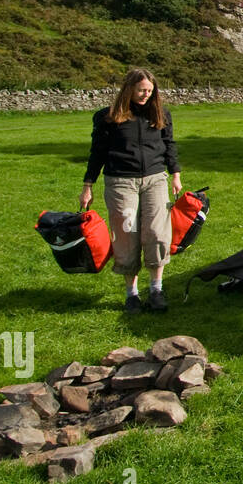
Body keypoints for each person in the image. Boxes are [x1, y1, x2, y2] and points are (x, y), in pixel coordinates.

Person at [79, 68, 182, 313]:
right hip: (120, 183)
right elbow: (97, 153)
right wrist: (87, 186)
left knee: (157, 233)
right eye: (141, 90)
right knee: (127, 235)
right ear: (128, 89)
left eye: (150, 90)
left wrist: (175, 174)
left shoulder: (160, 114)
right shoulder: (107, 118)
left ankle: (156, 289)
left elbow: (169, 146)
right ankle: (132, 294)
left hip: (155, 179)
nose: (146, 95)